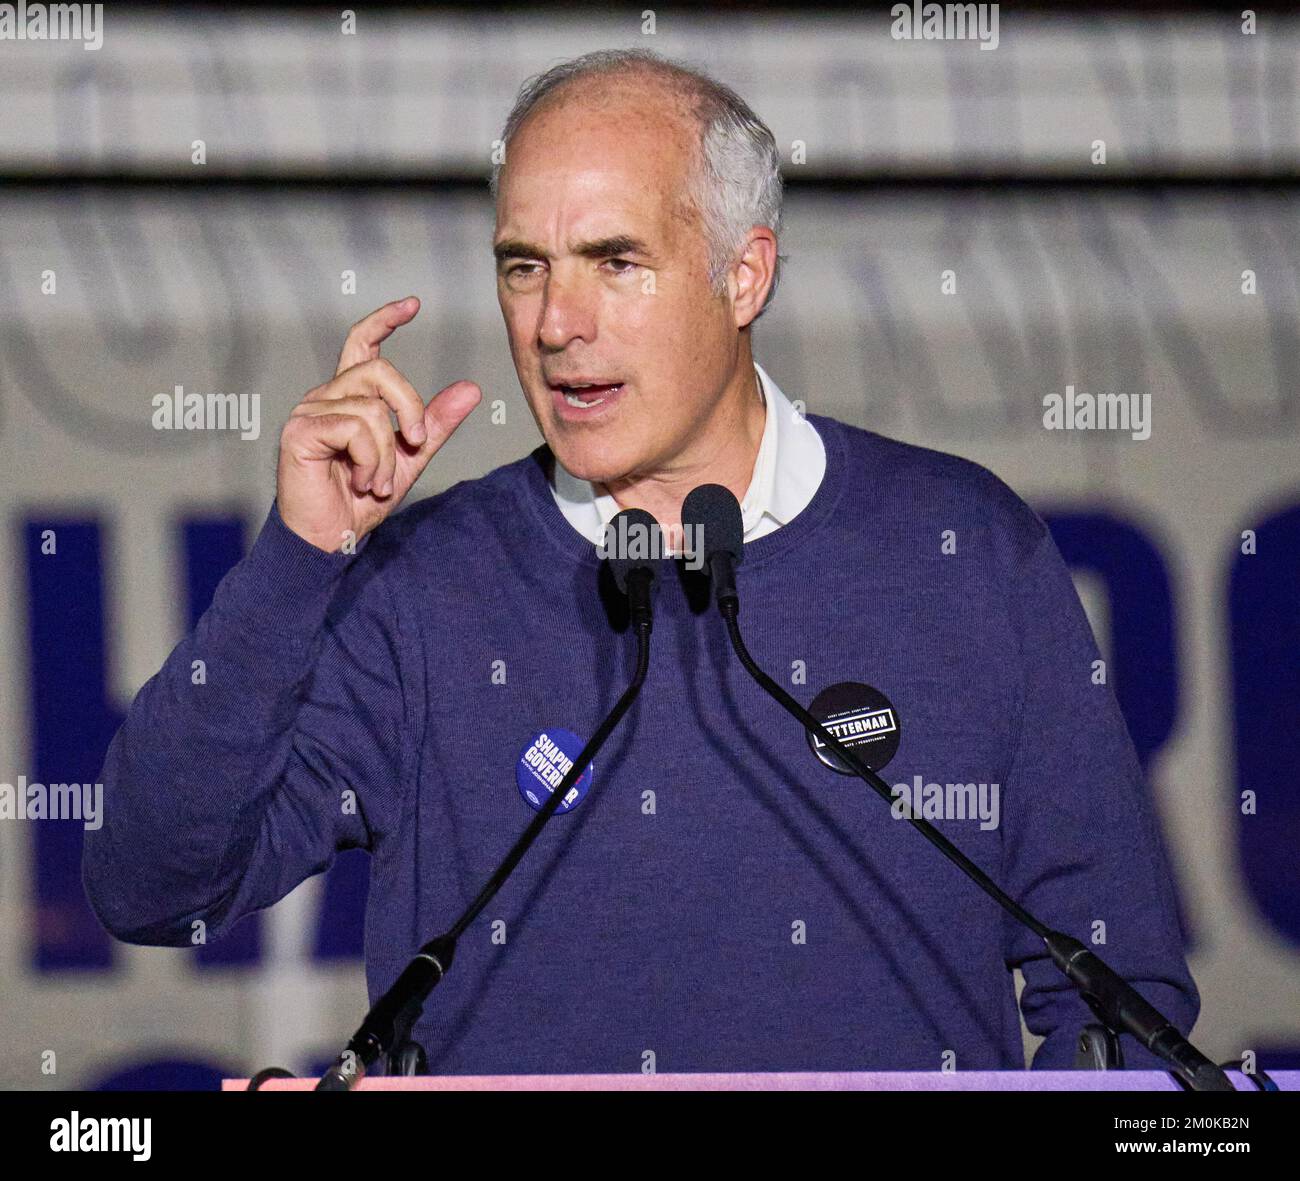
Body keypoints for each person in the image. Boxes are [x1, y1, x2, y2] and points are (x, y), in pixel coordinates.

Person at [83, 49, 1198, 1076]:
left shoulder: (964, 549)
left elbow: (1115, 993)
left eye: (615, 261)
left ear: (743, 275)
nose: (557, 321)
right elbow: (150, 886)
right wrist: (298, 555)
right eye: (524, 267)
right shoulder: (419, 588)